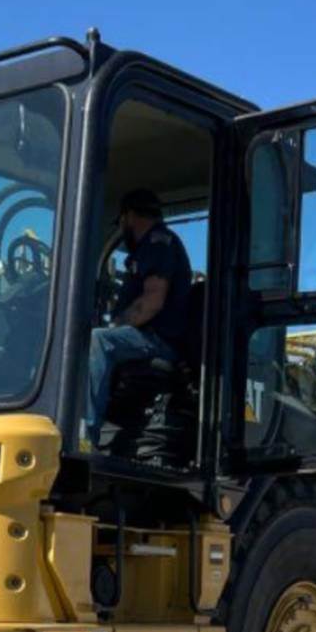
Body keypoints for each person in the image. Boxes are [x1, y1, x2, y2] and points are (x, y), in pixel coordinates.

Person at [83, 188, 193, 450]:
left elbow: (151, 303)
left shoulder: (158, 244)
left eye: (122, 222)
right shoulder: (148, 249)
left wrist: (112, 325)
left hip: (158, 341)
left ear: (129, 216)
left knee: (99, 341)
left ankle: (84, 435)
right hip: (146, 338)